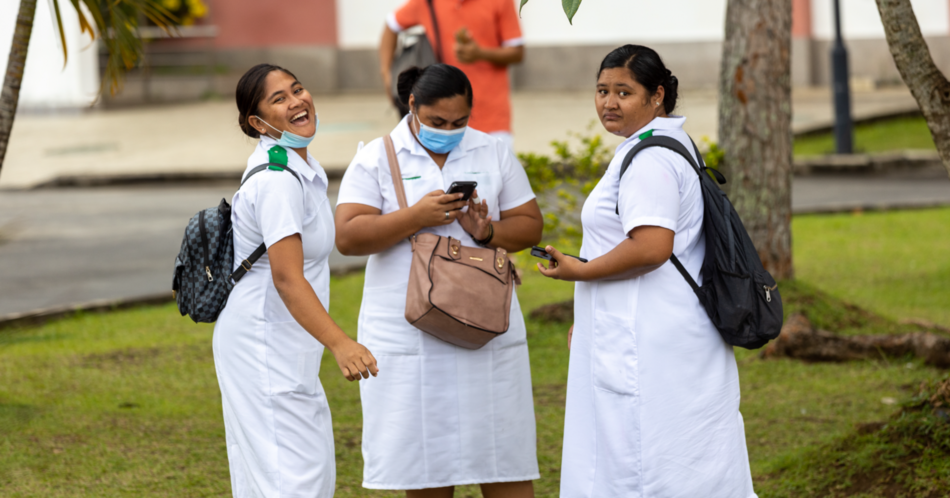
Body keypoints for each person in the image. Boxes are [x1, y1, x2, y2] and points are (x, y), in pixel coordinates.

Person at [537, 45, 758, 498]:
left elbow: (653, 248)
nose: (609, 103)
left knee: (647, 462)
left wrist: (580, 272)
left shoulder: (651, 159)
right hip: (655, 332)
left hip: (651, 341)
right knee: (680, 454)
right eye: (602, 90)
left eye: (624, 92)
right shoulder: (662, 145)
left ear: (657, 96)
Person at [335, 63, 542, 498]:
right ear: (412, 105)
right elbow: (348, 236)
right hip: (410, 332)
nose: (449, 131)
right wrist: (416, 217)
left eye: (459, 122)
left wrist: (486, 231)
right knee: (423, 462)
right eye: (436, 122)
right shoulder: (375, 157)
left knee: (503, 453)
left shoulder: (491, 151)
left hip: (484, 325)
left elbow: (529, 225)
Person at [213, 63, 379, 498]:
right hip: (262, 343)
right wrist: (341, 343)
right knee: (293, 478)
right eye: (279, 99)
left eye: (297, 89)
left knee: (287, 473)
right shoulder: (276, 179)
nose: (297, 101)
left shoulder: (299, 164)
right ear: (258, 122)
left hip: (284, 342)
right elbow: (287, 278)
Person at [378, 0, 524, 150]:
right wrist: (386, 75)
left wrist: (480, 54)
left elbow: (517, 52)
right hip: (442, 121)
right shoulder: (426, 2)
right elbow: (391, 25)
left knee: (497, 170)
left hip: (492, 118)